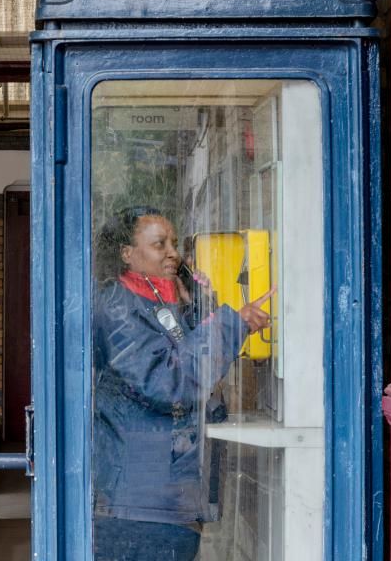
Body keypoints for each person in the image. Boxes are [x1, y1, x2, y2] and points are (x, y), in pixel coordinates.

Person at [91, 207, 273, 561]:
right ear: (128, 254)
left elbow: (204, 395)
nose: (173, 253)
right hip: (137, 502)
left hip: (170, 494)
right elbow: (168, 383)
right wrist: (232, 326)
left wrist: (197, 307)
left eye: (174, 243)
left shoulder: (162, 298)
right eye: (160, 244)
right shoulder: (117, 308)